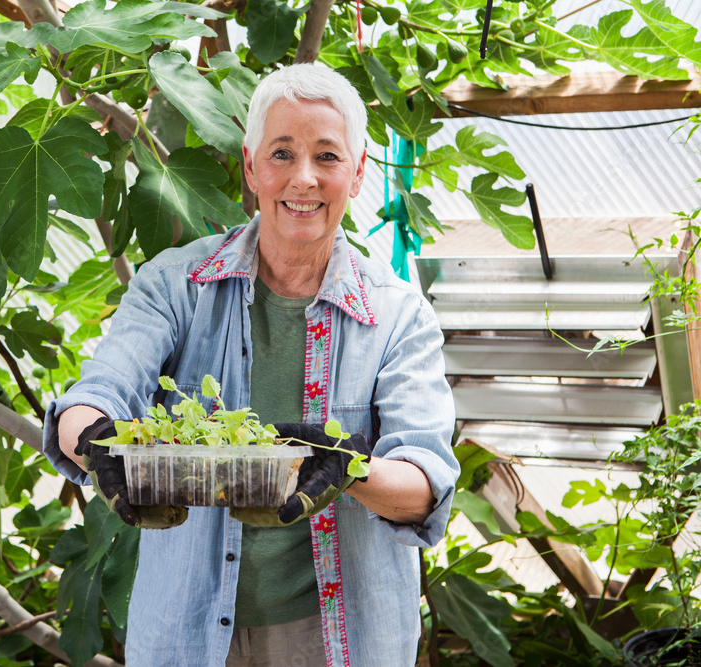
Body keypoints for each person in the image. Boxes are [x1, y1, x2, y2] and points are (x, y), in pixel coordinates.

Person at [44, 63, 458, 667]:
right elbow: (98, 392)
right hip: (186, 631)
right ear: (251, 166)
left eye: (328, 157)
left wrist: (344, 470)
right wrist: (96, 441)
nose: (305, 178)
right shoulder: (175, 285)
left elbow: (424, 484)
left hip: (335, 637)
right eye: (283, 153)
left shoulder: (396, 315)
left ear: (359, 171)